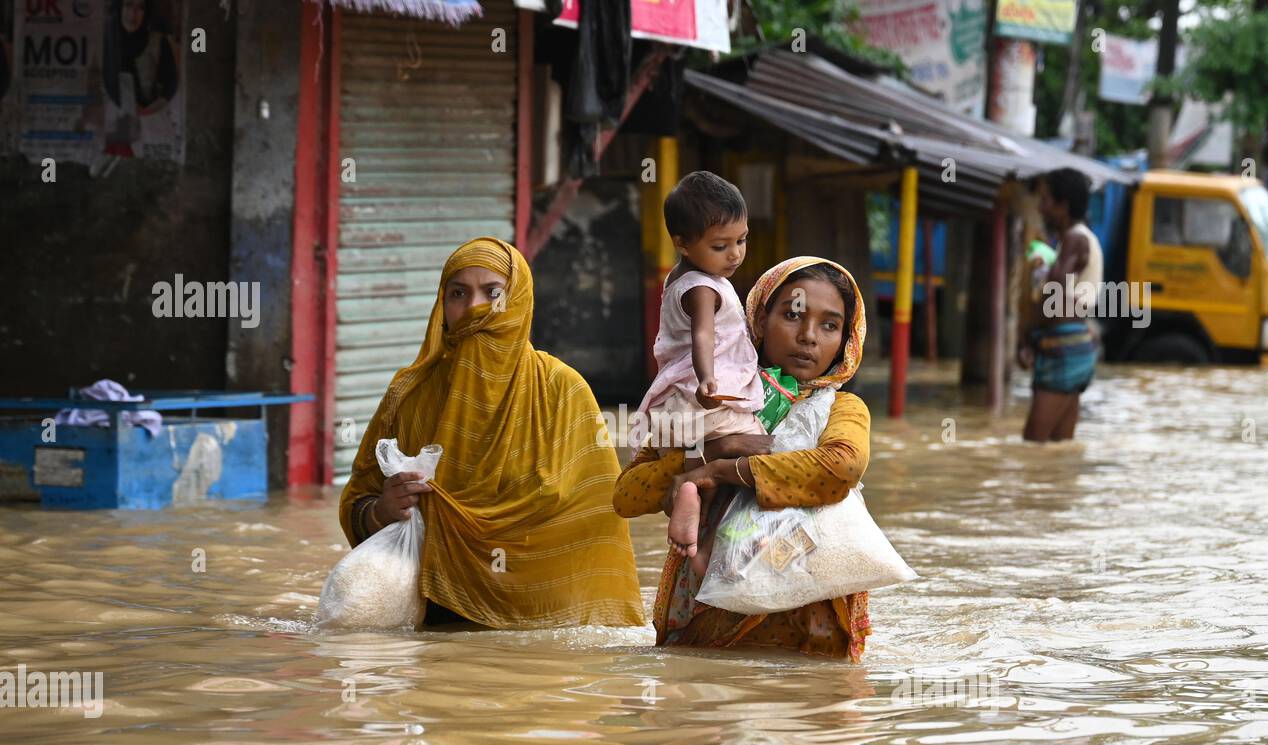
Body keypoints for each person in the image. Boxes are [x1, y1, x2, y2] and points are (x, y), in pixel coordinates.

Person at [339, 237, 645, 630]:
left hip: (541, 633)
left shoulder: (561, 391)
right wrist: (382, 511)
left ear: (518, 300)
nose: (473, 309)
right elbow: (357, 503)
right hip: (435, 621)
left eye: (493, 293)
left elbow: (596, 523)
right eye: (458, 293)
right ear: (441, 304)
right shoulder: (409, 394)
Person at [614, 256, 873, 663]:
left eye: (829, 326)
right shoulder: (710, 400)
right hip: (708, 612)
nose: (809, 337)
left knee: (810, 713)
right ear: (758, 319)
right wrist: (708, 451)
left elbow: (839, 468)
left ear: (846, 340)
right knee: (702, 707)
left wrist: (718, 471)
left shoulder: (842, 409)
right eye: (792, 315)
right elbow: (626, 495)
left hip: (808, 621)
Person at [633, 171, 767, 577]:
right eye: (720, 246)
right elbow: (703, 335)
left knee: (716, 488)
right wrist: (707, 378)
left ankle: (701, 542)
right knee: (761, 446)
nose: (735, 254)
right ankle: (698, 479)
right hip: (704, 398)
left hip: (679, 405)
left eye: (741, 240)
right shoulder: (701, 289)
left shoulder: (682, 278)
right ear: (682, 243)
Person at [1018, 167, 1103, 442]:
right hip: (1076, 347)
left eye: (1045, 201)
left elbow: (1053, 297)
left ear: (1063, 206)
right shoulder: (1082, 238)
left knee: (1032, 445)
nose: (1041, 209)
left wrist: (1028, 337)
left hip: (1062, 348)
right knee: (1059, 448)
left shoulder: (1074, 239)